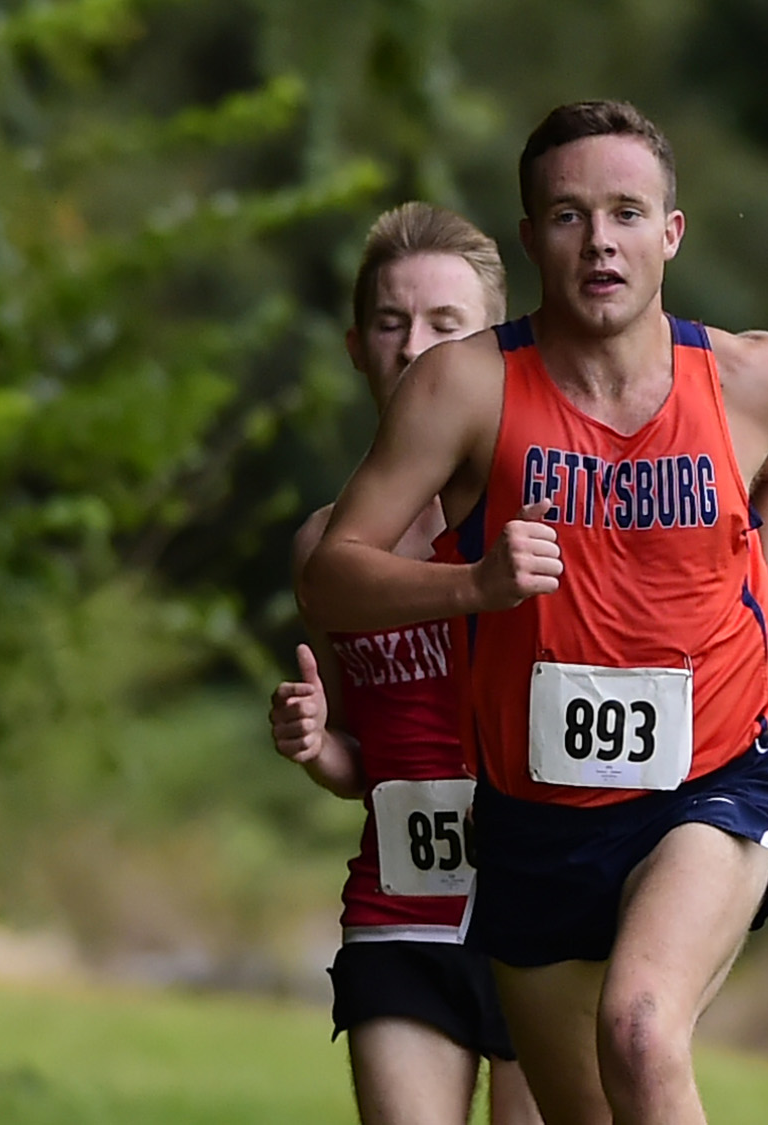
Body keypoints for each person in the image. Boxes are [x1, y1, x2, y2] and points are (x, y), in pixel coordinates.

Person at [300, 101, 768, 1125]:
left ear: (670, 234)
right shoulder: (465, 387)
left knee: (638, 1027)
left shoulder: (753, 377)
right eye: (569, 216)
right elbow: (331, 576)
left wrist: (757, 623)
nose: (600, 240)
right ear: (531, 238)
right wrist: (473, 586)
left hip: (704, 782)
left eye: (627, 213)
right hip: (533, 823)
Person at [269, 201, 541, 1125]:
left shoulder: (538, 513)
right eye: (392, 323)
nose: (415, 347)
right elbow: (363, 764)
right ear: (357, 345)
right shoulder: (325, 549)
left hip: (550, 905)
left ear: (495, 343)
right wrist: (315, 747)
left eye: (445, 325)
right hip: (403, 910)